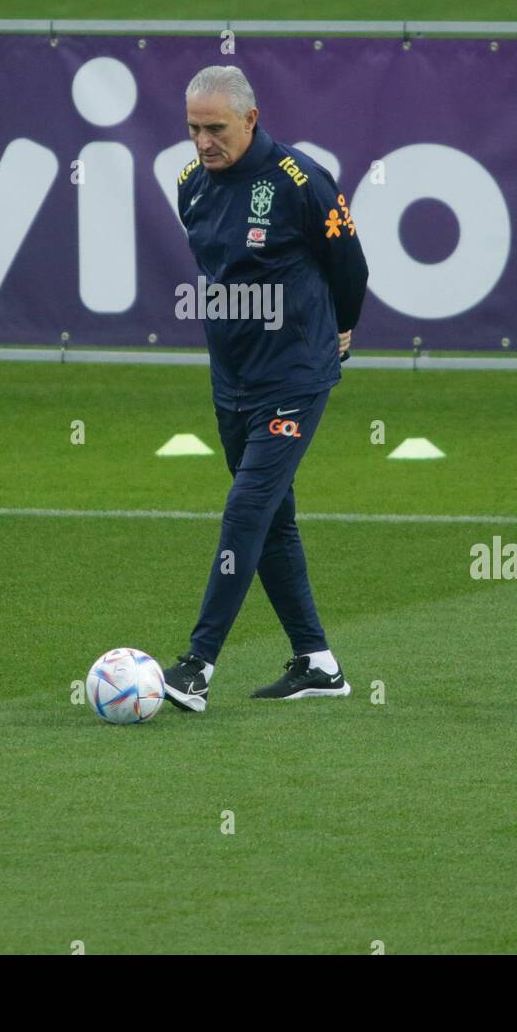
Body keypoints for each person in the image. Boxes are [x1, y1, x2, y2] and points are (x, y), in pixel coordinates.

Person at [162, 64, 370, 711]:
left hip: (295, 376)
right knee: (273, 519)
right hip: (232, 380)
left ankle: (196, 665)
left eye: (215, 128)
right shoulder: (190, 185)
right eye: (194, 129)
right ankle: (317, 663)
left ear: (250, 120)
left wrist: (341, 328)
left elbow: (350, 266)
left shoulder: (301, 183)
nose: (202, 142)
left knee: (246, 509)